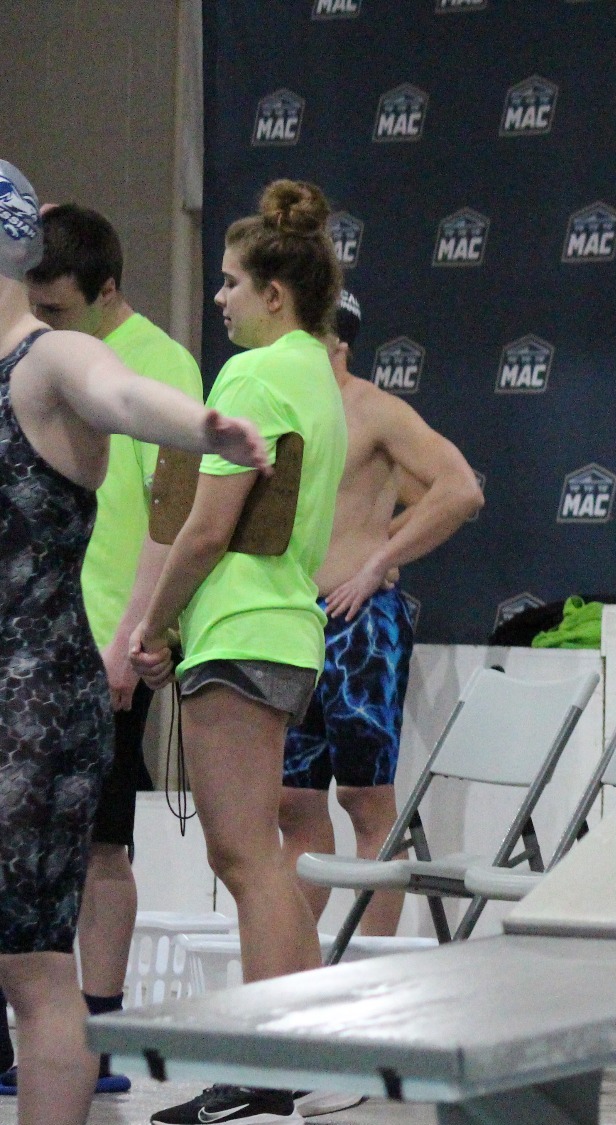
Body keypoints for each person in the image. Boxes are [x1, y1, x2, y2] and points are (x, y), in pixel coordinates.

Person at [0, 159, 269, 1125]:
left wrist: (202, 427)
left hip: (33, 695)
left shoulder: (49, 358)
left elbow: (118, 396)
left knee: (33, 967)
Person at [131, 179, 349, 1125]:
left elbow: (206, 529)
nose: (218, 298)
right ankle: (303, 1051)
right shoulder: (317, 374)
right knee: (259, 855)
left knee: (246, 856)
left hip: (240, 632)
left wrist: (152, 625)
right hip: (287, 630)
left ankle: (261, 1071)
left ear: (274, 292)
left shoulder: (252, 377)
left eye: (229, 283)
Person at [2, 203, 203, 1098]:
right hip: (33, 643)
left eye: (55, 304)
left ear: (104, 288)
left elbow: (171, 508)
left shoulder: (141, 360)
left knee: (96, 855)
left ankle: (105, 1021)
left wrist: (138, 631)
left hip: (80, 654)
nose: (42, 315)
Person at [276, 290, 482, 947]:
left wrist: (378, 558)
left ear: (336, 339)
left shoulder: (375, 410)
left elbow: (459, 490)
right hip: (293, 624)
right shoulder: (282, 407)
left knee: (365, 802)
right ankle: (291, 962)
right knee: (294, 806)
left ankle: (374, 967)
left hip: (358, 628)